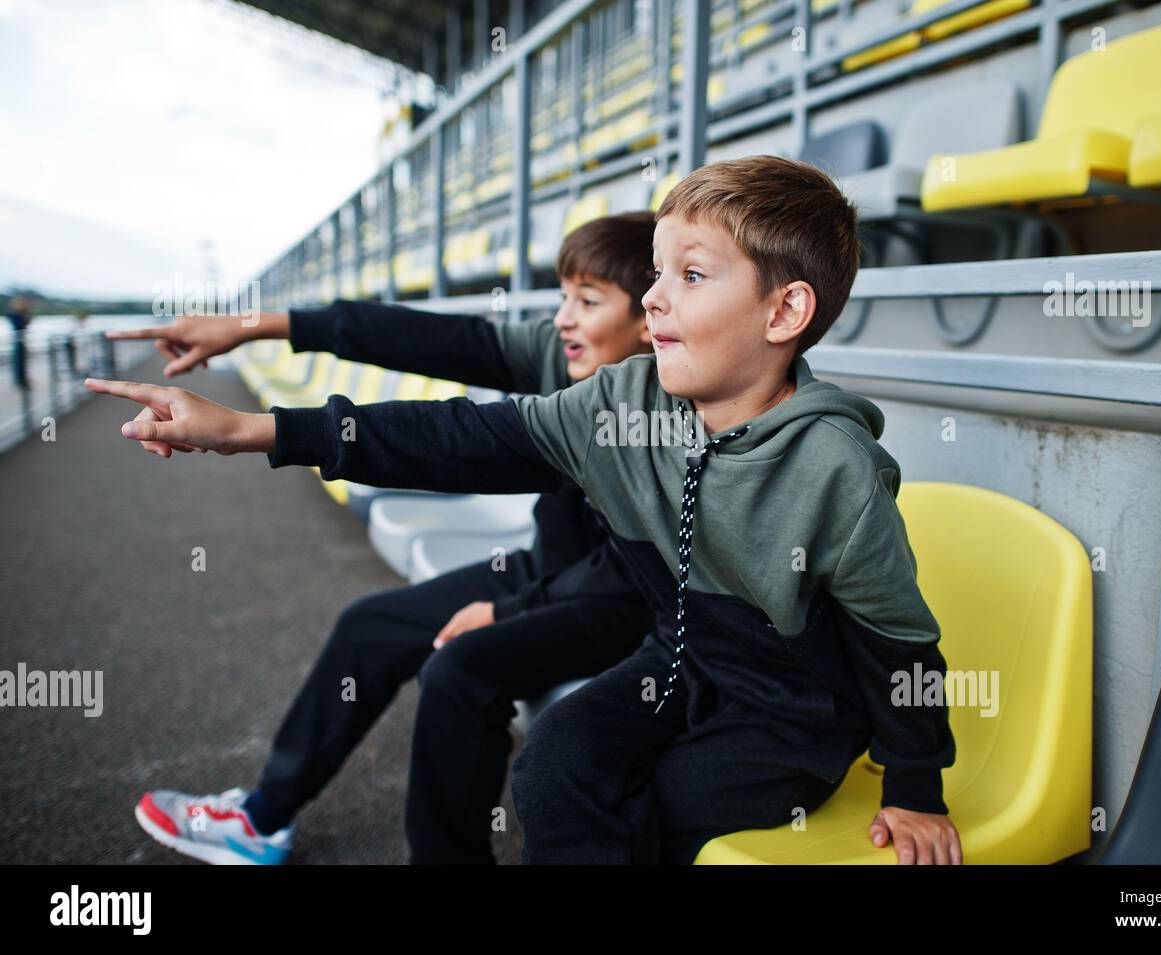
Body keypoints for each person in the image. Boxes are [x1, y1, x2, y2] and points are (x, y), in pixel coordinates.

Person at [86, 156, 962, 864]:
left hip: (786, 716)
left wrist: (915, 783)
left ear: (786, 310)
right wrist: (256, 428)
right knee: (551, 764)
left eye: (688, 276)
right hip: (678, 666)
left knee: (664, 803)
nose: (654, 297)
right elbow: (463, 435)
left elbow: (900, 640)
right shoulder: (620, 401)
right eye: (655, 274)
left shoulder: (837, 469)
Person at [104, 211, 658, 864]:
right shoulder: (563, 357)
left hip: (620, 603)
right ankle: (260, 819)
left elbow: (629, 576)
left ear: (650, 320)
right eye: (564, 295)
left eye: (587, 301)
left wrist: (508, 611)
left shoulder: (665, 415)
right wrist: (251, 327)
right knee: (371, 623)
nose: (562, 317)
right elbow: (421, 338)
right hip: (552, 569)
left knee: (460, 669)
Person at [6, 295, 31, 392]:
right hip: (17, 340)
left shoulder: (21, 314)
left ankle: (22, 380)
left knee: (22, 361)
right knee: (18, 361)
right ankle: (20, 381)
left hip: (22, 339)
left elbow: (27, 323)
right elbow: (21, 324)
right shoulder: (14, 314)